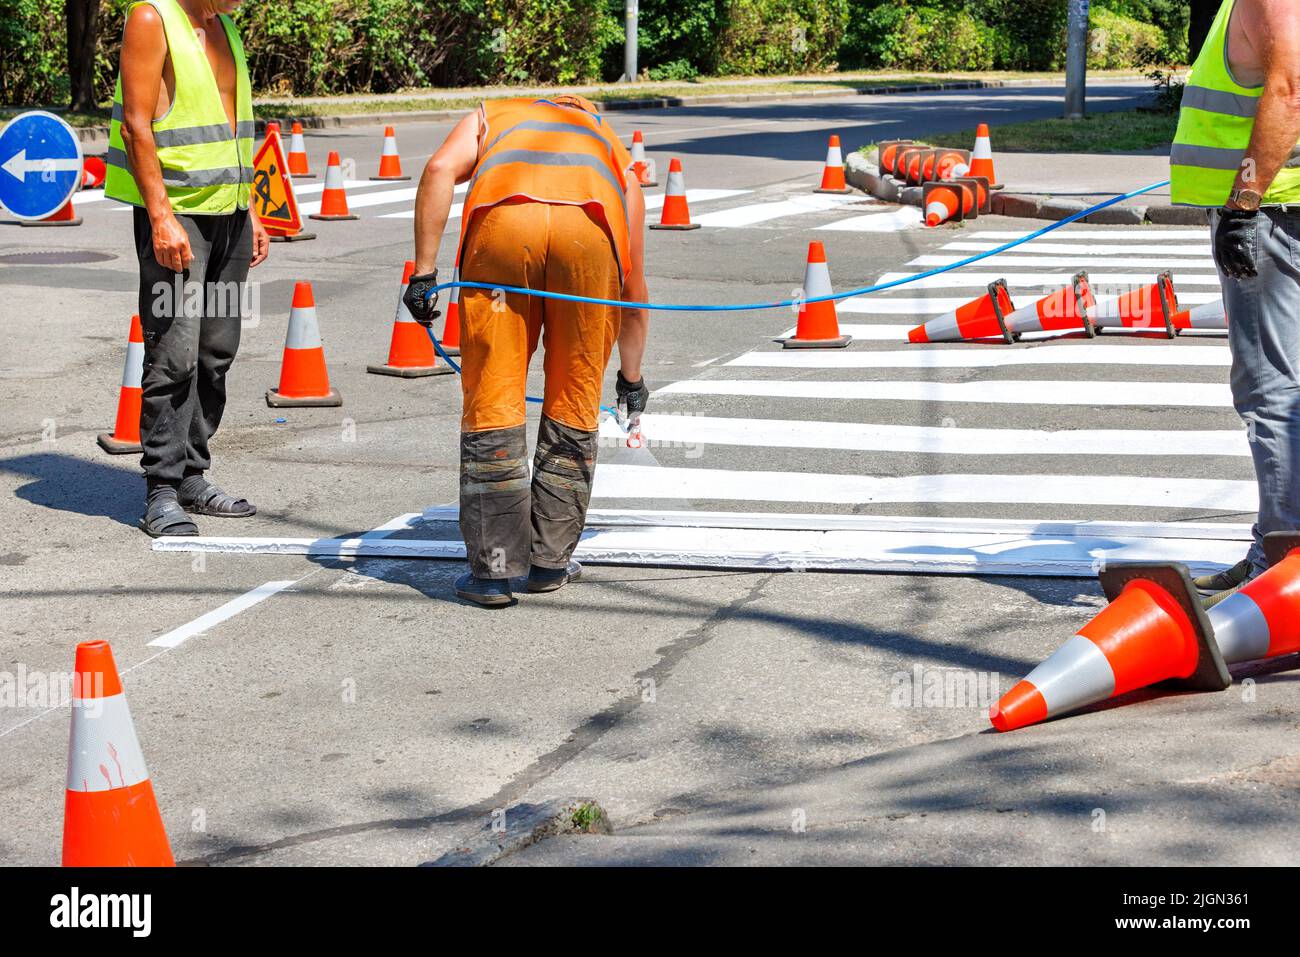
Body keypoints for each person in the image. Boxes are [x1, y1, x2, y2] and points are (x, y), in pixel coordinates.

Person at [406, 94, 650, 607]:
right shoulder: (609, 145)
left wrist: (423, 273)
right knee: (575, 397)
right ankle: (548, 563)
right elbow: (633, 288)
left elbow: (437, 169)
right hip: (587, 240)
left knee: (494, 399)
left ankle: (493, 573)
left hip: (504, 232)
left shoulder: (493, 114)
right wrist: (631, 378)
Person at [105, 0, 268, 537]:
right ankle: (163, 488)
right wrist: (160, 217)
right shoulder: (152, 19)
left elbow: (231, 125)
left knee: (217, 350)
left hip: (231, 214)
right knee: (173, 353)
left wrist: (254, 211)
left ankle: (194, 473)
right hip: (180, 219)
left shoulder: (226, 27)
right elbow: (136, 125)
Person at [1171, 0, 1300, 606]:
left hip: (1276, 214)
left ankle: (1281, 570)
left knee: (1272, 388)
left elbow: (1288, 89)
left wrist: (1243, 206)